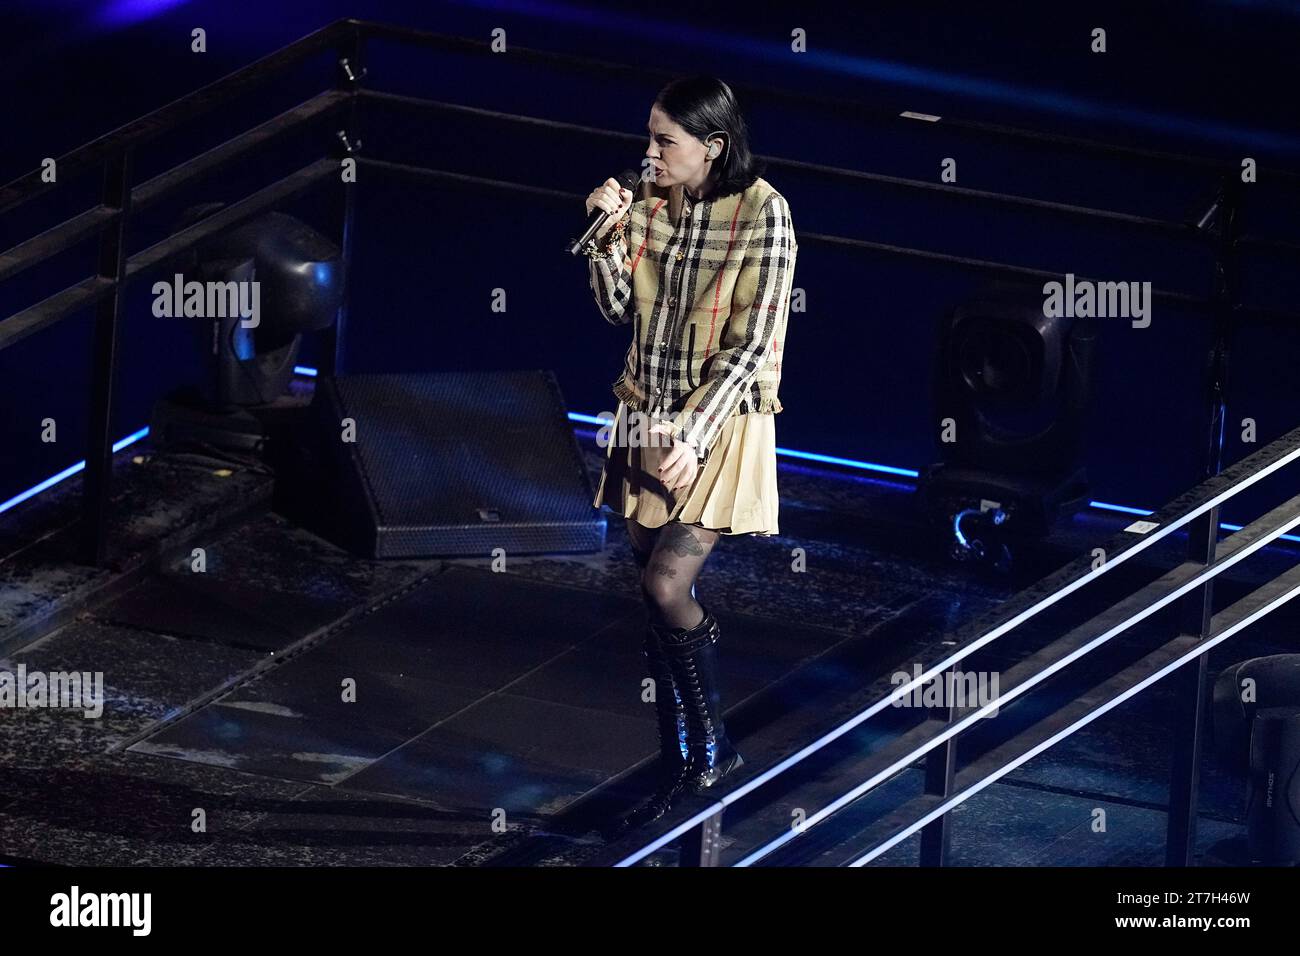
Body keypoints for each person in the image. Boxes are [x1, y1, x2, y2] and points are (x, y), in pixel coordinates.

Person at [581, 75, 798, 836]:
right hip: (645, 411)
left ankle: (711, 750)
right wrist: (606, 233)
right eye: (649, 137)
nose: (649, 153)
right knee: (648, 583)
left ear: (713, 146)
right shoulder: (649, 200)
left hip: (717, 422)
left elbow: (753, 349)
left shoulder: (765, 213)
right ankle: (684, 754)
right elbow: (616, 306)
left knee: (668, 579)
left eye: (664, 142)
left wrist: (695, 435)